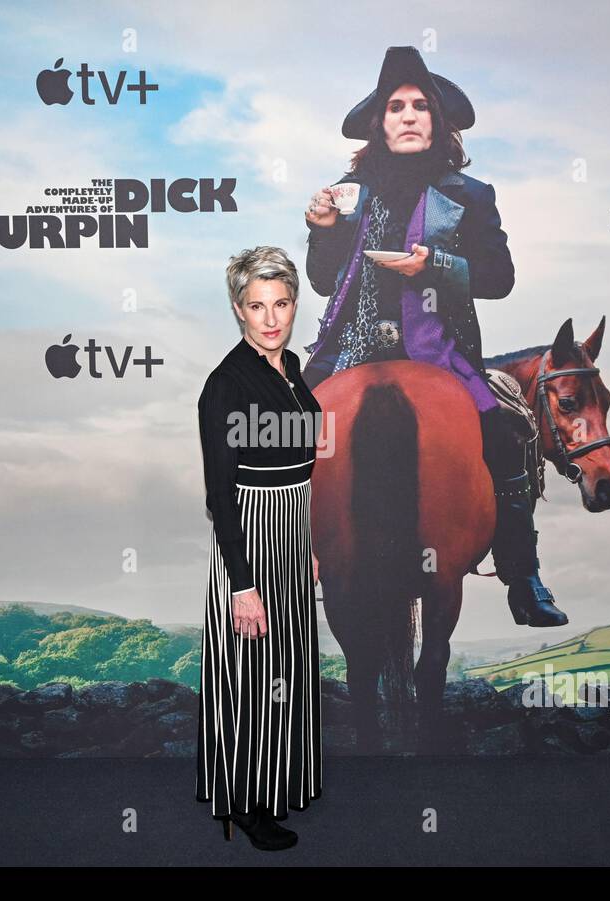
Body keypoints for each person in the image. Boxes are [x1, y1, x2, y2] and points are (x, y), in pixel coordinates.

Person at [301, 45, 567, 627]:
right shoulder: (347, 196)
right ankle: (275, 572)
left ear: (438, 122)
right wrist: (321, 232)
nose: (408, 115)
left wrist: (435, 267)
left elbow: (500, 280)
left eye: (420, 105)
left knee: (507, 430)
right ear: (381, 124)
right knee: (275, 433)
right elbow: (324, 282)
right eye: (396, 106)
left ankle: (523, 576)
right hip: (351, 348)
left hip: (439, 349)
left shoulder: (472, 195)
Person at [195, 246, 324, 851]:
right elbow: (220, 494)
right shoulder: (225, 385)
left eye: (281, 304)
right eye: (256, 306)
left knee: (288, 670)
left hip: (293, 533)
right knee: (247, 677)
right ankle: (242, 805)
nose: (270, 319)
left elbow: (303, 466)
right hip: (249, 533)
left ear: (295, 304)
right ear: (238, 311)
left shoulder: (292, 368)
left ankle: (278, 784)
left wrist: (309, 539)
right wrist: (242, 586)